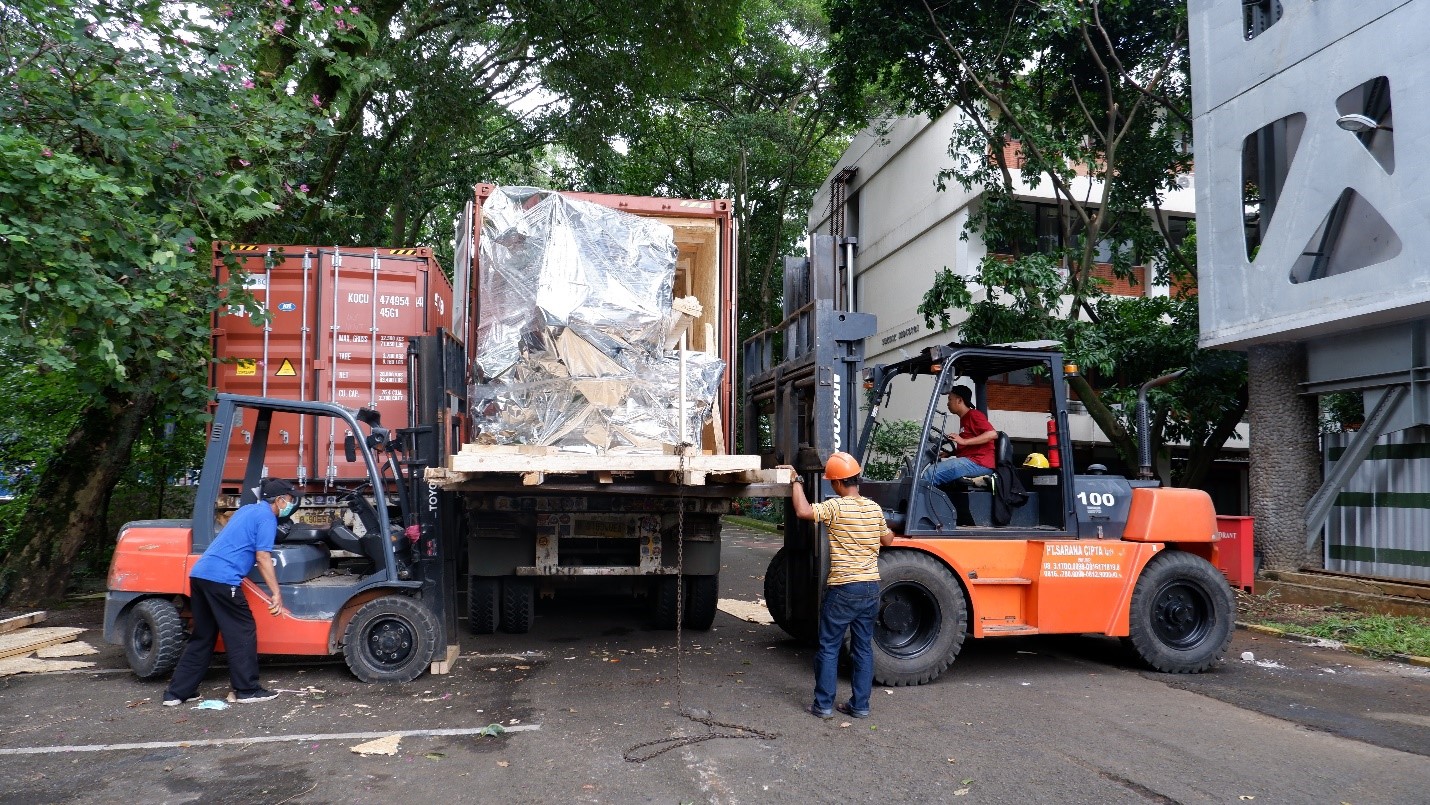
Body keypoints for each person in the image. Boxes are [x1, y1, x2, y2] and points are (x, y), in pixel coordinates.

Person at [778, 452, 894, 720]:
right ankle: (860, 706)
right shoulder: (873, 508)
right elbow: (887, 540)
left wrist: (796, 481)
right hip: (870, 587)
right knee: (863, 647)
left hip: (844, 588)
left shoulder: (836, 507)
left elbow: (803, 511)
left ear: (838, 483)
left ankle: (823, 706)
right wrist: (887, 532)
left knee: (829, 646)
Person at [163, 478, 297, 705]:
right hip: (223, 580)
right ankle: (246, 690)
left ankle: (176, 693)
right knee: (242, 631)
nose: (291, 504)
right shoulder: (267, 517)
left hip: (200, 575)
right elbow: (263, 556)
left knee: (203, 636)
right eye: (290, 500)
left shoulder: (247, 510)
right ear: (280, 500)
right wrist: (276, 593)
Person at [923, 385, 998, 486]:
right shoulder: (964, 419)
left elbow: (992, 434)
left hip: (979, 463)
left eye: (950, 399)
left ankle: (919, 501)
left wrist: (964, 441)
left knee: (931, 473)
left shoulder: (974, 415)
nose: (948, 403)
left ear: (959, 400)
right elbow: (971, 447)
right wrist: (951, 453)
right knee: (939, 473)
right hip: (973, 462)